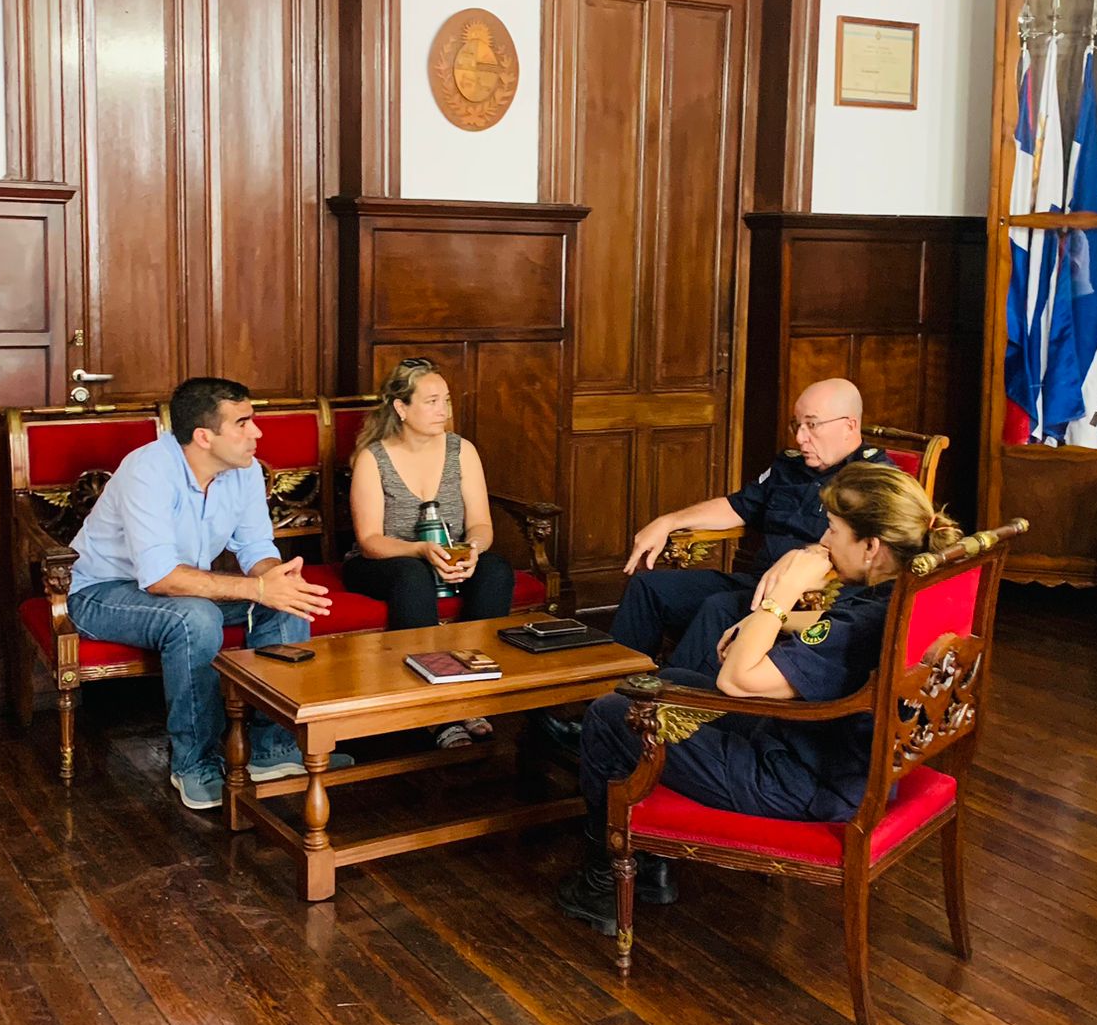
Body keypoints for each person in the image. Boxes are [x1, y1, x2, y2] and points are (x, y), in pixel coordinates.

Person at [557, 463, 961, 933]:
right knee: (676, 679)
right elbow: (838, 635)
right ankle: (647, 863)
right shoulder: (903, 591)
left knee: (613, 714)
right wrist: (772, 624)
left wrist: (781, 596)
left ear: (871, 547)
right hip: (837, 754)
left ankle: (604, 882)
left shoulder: (864, 619)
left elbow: (737, 682)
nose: (824, 542)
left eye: (833, 530)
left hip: (803, 783)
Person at [67, 376, 351, 812]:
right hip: (102, 592)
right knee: (195, 618)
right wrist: (257, 588)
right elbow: (160, 577)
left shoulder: (246, 471)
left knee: (289, 600)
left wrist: (275, 579)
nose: (257, 432)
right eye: (243, 423)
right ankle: (194, 763)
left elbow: (255, 548)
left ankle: (272, 747)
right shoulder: (147, 471)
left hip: (184, 585)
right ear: (204, 436)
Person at [610, 377, 892, 680]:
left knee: (720, 607)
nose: (800, 438)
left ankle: (670, 705)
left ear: (849, 425)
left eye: (812, 425)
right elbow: (739, 506)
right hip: (755, 582)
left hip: (809, 598)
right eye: (796, 425)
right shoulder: (790, 465)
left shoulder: (874, 480)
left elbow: (873, 552)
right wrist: (669, 521)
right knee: (649, 588)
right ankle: (606, 698)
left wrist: (804, 560)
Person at [344, 357, 516, 748]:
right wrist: (422, 550)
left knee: (495, 570)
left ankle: (471, 696)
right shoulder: (374, 457)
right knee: (412, 575)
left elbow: (481, 526)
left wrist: (470, 551)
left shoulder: (461, 450)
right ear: (401, 408)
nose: (444, 410)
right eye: (432, 401)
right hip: (384, 562)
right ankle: (428, 709)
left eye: (447, 400)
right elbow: (370, 540)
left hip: (447, 557)